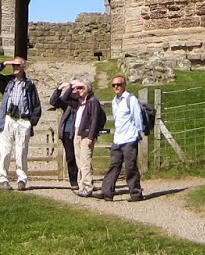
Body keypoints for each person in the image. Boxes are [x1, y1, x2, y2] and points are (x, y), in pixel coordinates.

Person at [0, 56, 41, 189]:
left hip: (23, 120)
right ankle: (3, 180)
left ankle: (21, 180)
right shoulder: (7, 81)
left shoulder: (29, 84)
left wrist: (31, 122)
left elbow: (36, 105)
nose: (15, 67)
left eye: (17, 65)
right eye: (13, 65)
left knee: (21, 151)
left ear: (24, 66)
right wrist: (5, 63)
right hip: (8, 119)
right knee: (5, 151)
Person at [50, 80, 107, 196]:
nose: (79, 90)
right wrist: (70, 86)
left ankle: (88, 187)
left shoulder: (93, 101)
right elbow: (63, 99)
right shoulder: (79, 102)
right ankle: (82, 186)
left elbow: (95, 120)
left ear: (88, 89)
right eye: (78, 88)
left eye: (81, 88)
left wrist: (91, 136)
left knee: (85, 161)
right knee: (79, 161)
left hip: (86, 134)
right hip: (77, 133)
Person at [98, 74, 145, 202]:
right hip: (118, 139)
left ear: (124, 85)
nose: (116, 87)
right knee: (114, 165)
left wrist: (137, 133)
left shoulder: (131, 100)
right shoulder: (114, 101)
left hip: (129, 138)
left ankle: (136, 193)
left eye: (118, 84)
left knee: (130, 166)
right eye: (114, 85)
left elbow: (137, 118)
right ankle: (107, 192)